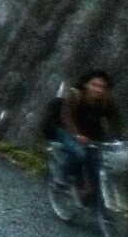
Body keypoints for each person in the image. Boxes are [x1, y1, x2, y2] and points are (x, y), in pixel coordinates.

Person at [51, 71, 123, 210]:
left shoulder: (106, 101)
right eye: (94, 85)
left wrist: (117, 138)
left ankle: (90, 193)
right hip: (65, 130)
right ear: (86, 84)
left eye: (102, 87)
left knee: (99, 162)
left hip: (91, 134)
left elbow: (115, 120)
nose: (98, 89)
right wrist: (77, 134)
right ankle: (61, 176)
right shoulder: (75, 95)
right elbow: (66, 116)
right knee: (79, 153)